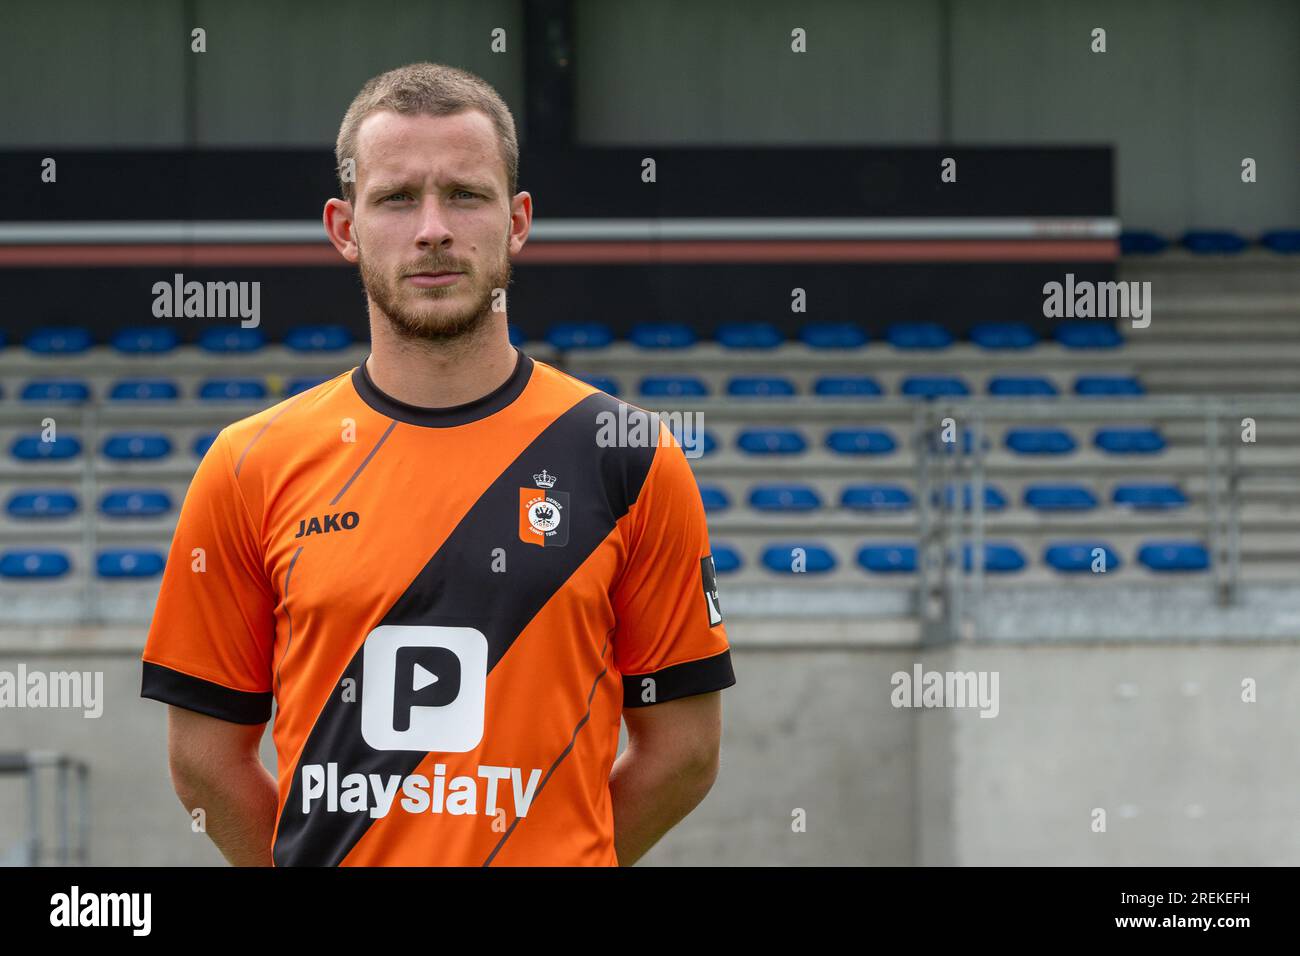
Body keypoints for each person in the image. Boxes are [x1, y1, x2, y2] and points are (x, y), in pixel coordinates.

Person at [139, 62, 735, 866]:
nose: (432, 229)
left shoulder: (627, 457)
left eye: (464, 194)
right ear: (344, 227)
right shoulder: (250, 465)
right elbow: (205, 763)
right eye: (395, 198)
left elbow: (685, 753)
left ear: (517, 220)